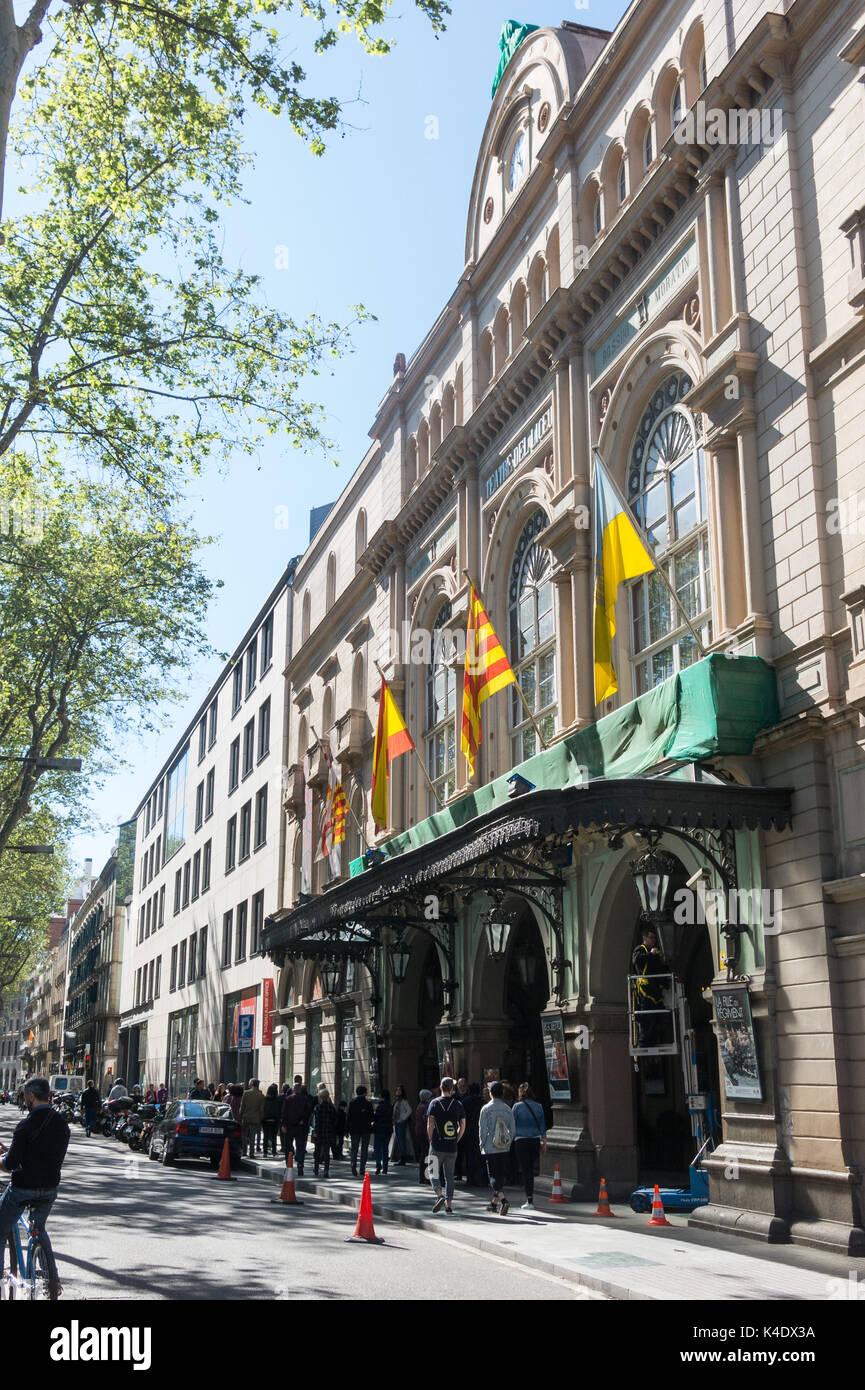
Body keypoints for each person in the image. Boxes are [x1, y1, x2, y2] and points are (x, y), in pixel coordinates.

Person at [0, 1077, 70, 1293]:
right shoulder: (62, 1124)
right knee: (38, 1228)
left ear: (31, 1096)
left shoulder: (26, 1125)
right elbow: (44, 1155)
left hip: (22, 1189)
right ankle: (53, 1280)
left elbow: (11, 1164)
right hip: (49, 1190)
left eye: (25, 1097)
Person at [426, 1076, 466, 1213]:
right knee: (450, 1176)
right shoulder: (458, 1104)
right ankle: (448, 1205)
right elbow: (463, 1124)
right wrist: (457, 1138)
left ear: (441, 1088)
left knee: (432, 1171)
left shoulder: (434, 1103)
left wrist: (431, 1139)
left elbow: (430, 1123)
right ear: (453, 1089)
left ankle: (439, 1195)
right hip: (451, 1146)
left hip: (437, 1144)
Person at [478, 1080, 516, 1215]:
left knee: (492, 1176)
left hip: (490, 1146)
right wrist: (508, 1142)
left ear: (490, 1093)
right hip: (504, 1147)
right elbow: (513, 1129)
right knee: (499, 1175)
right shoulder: (507, 1108)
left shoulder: (486, 1109)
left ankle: (503, 1200)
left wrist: (481, 1144)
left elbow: (482, 1130)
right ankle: (493, 1204)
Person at [512, 1082, 547, 1210]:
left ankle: (529, 1198)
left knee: (525, 1170)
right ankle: (530, 1198)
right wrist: (544, 1142)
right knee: (531, 1170)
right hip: (534, 1140)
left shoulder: (516, 1107)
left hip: (521, 1140)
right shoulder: (539, 1107)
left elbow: (512, 1125)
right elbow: (542, 1126)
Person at [632, 923, 668, 1047]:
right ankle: (644, 1041)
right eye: (651, 937)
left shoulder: (655, 951)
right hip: (645, 990)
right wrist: (651, 955)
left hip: (655, 990)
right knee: (647, 1016)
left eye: (654, 938)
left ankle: (654, 1040)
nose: (654, 940)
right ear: (645, 938)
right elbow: (637, 961)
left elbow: (660, 969)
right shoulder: (640, 949)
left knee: (657, 1017)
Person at [280, 1080, 312, 1176]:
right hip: (300, 1126)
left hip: (289, 1126)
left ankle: (288, 1165)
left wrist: (283, 1125)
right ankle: (300, 1166)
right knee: (300, 1147)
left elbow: (284, 1113)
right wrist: (303, 1120)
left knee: (288, 1147)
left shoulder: (288, 1099)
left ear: (293, 1089)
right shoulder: (305, 1099)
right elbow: (308, 1112)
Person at [347, 1084, 374, 1177]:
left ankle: (353, 1163)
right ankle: (362, 1167)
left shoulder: (352, 1103)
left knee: (354, 1148)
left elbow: (349, 1117)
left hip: (354, 1129)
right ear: (365, 1093)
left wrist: (347, 1129)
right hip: (366, 1129)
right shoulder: (368, 1104)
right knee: (364, 1149)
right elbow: (371, 1118)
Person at [311, 1088, 337, 1178]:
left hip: (319, 1132)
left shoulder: (317, 1107)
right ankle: (326, 1170)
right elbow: (334, 1121)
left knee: (317, 1151)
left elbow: (316, 1122)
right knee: (326, 1152)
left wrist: (315, 1131)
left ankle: (316, 1168)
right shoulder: (331, 1107)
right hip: (328, 1133)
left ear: (321, 1097)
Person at [239, 1078, 266, 1157]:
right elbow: (261, 1110)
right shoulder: (261, 1095)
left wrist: (240, 1116)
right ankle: (251, 1153)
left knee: (244, 1135)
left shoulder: (246, 1093)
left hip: (246, 1117)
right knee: (252, 1136)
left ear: (251, 1084)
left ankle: (244, 1151)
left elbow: (242, 1106)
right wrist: (260, 1118)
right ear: (258, 1085)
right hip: (255, 1118)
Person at [372, 1089, 393, 1175]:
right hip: (388, 1129)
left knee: (377, 1148)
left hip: (379, 1129)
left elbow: (376, 1118)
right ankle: (385, 1168)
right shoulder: (390, 1106)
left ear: (382, 1096)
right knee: (385, 1149)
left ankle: (378, 1164)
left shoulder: (380, 1107)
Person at [414, 1089, 432, 1185]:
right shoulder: (424, 1107)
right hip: (424, 1133)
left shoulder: (420, 1106)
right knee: (426, 1155)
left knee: (424, 1154)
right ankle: (425, 1177)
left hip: (420, 1132)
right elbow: (426, 1120)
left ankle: (423, 1177)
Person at [392, 1085, 413, 1165]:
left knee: (401, 1141)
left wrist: (402, 1118)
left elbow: (409, 1110)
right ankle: (402, 1157)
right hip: (397, 1122)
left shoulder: (404, 1101)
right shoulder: (397, 1101)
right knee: (399, 1140)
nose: (397, 1091)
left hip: (401, 1123)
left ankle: (403, 1158)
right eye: (397, 1090)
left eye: (399, 1090)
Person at [262, 1084, 281, 1157]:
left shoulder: (265, 1099)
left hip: (265, 1119)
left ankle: (265, 1152)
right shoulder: (277, 1099)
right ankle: (273, 1151)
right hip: (274, 1119)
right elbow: (278, 1110)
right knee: (274, 1136)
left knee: (265, 1136)